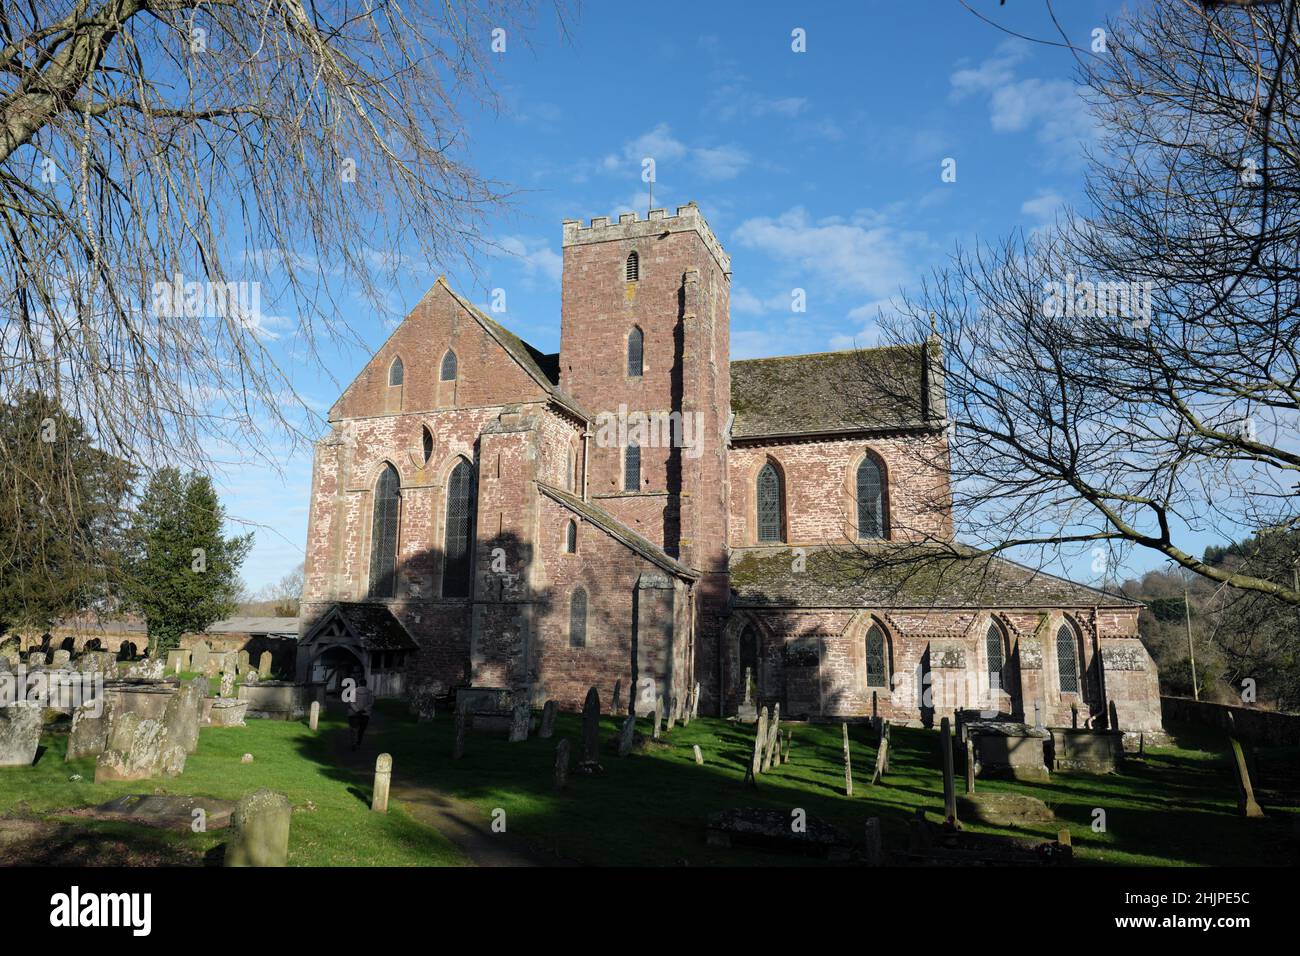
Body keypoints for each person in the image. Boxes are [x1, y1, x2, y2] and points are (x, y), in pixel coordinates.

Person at [347, 670, 375, 750]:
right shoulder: (370, 692)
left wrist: (357, 710)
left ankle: (353, 743)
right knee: (361, 730)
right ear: (365, 684)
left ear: (358, 683)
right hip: (365, 715)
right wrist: (364, 710)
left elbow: (351, 703)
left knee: (353, 729)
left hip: (354, 714)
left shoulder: (353, 691)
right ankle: (359, 742)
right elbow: (371, 703)